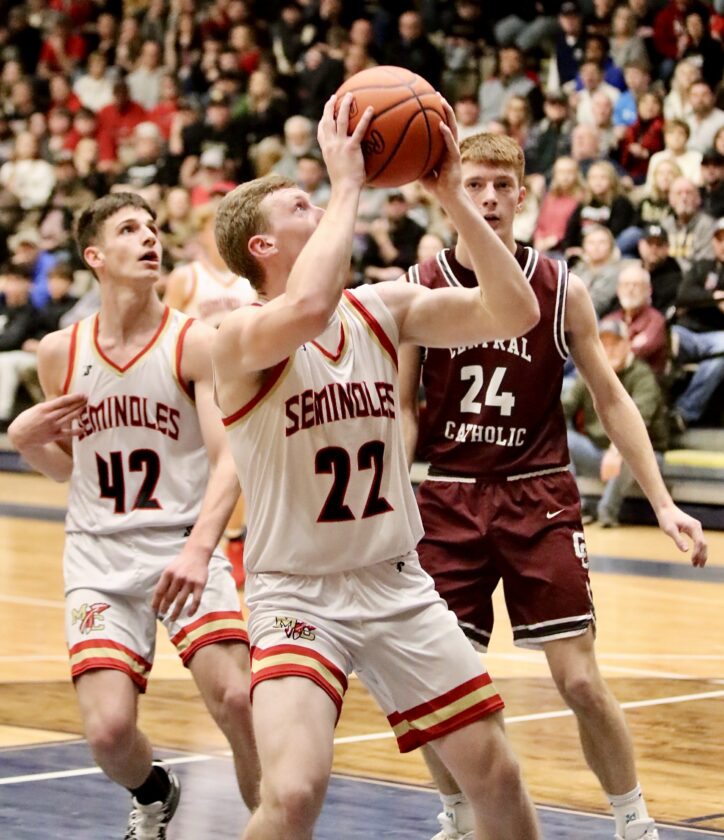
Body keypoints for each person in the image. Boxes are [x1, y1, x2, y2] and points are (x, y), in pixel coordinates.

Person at [212, 93, 541, 840]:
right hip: (298, 595)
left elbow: (513, 312)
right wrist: (350, 181)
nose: (323, 204)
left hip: (396, 582)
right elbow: (304, 309)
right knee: (293, 793)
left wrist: (453, 196)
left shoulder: (381, 308)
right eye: (303, 204)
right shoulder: (236, 338)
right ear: (262, 247)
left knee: (497, 773)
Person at [398, 132, 707, 840]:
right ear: (453, 193)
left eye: (502, 187)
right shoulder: (420, 284)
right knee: (444, 684)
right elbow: (402, 409)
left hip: (535, 494)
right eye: (473, 184)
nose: (488, 199)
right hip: (445, 494)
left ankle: (634, 822)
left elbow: (613, 398)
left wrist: (661, 502)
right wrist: (387, 501)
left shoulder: (560, 287)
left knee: (577, 679)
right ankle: (459, 813)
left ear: (523, 194)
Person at [8, 192, 260, 839]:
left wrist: (201, 549)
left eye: (152, 227)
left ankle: (275, 821)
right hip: (98, 554)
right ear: (95, 256)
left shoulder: (194, 341)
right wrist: (28, 439)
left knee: (237, 699)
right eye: (129, 229)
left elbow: (228, 457)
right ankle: (154, 793)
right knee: (109, 731)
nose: (149, 237)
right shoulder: (60, 351)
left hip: (181, 545)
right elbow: (69, 468)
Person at [565, 318, 669, 526]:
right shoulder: (590, 374)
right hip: (597, 452)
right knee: (560, 436)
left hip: (643, 454)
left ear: (627, 344)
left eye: (615, 343)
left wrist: (617, 451)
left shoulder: (642, 375)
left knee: (633, 454)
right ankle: (576, 507)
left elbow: (640, 419)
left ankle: (607, 512)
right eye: (604, 343)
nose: (609, 349)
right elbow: (565, 406)